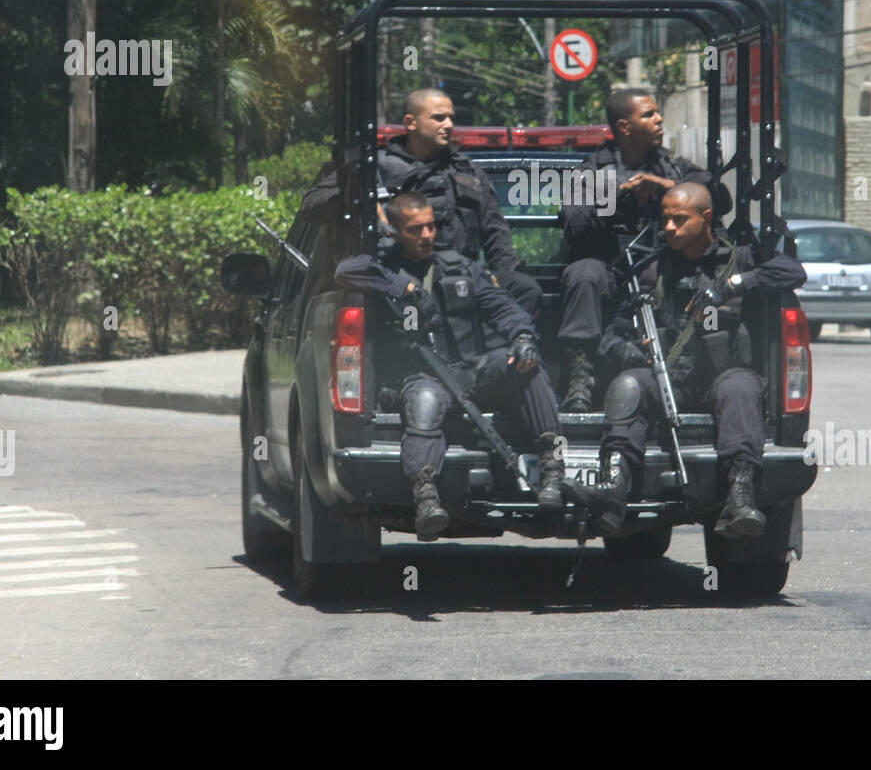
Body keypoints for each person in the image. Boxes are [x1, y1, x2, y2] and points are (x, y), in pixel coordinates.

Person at [562, 182, 806, 539]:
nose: (670, 228)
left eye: (680, 220)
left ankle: (739, 496)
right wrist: (629, 352)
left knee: (741, 388)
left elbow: (792, 272)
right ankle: (613, 488)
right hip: (666, 379)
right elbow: (610, 334)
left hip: (720, 378)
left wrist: (730, 286)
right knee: (627, 386)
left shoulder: (738, 259)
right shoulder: (650, 271)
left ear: (706, 218)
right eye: (665, 220)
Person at [333, 192, 565, 539]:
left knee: (520, 363)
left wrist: (522, 337)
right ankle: (426, 498)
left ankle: (551, 470)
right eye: (415, 229)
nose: (427, 235)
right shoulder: (383, 268)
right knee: (425, 401)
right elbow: (345, 270)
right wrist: (403, 287)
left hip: (470, 372)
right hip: (420, 378)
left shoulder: (459, 267)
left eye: (431, 226)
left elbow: (504, 308)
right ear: (394, 232)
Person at [556, 88, 732, 411]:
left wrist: (668, 189)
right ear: (624, 127)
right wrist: (615, 200)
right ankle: (581, 375)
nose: (659, 119)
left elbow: (720, 199)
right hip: (612, 275)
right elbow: (574, 225)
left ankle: (702, 378)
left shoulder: (675, 170)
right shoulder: (590, 172)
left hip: (664, 274)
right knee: (583, 273)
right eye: (649, 114)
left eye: (657, 112)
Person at [303, 87, 542, 317]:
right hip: (397, 280)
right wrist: (359, 199)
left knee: (524, 288)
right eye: (439, 118)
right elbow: (312, 206)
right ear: (411, 122)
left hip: (461, 277)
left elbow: (496, 236)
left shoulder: (468, 171)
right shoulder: (373, 169)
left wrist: (499, 280)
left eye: (451, 118)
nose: (448, 125)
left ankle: (504, 356)